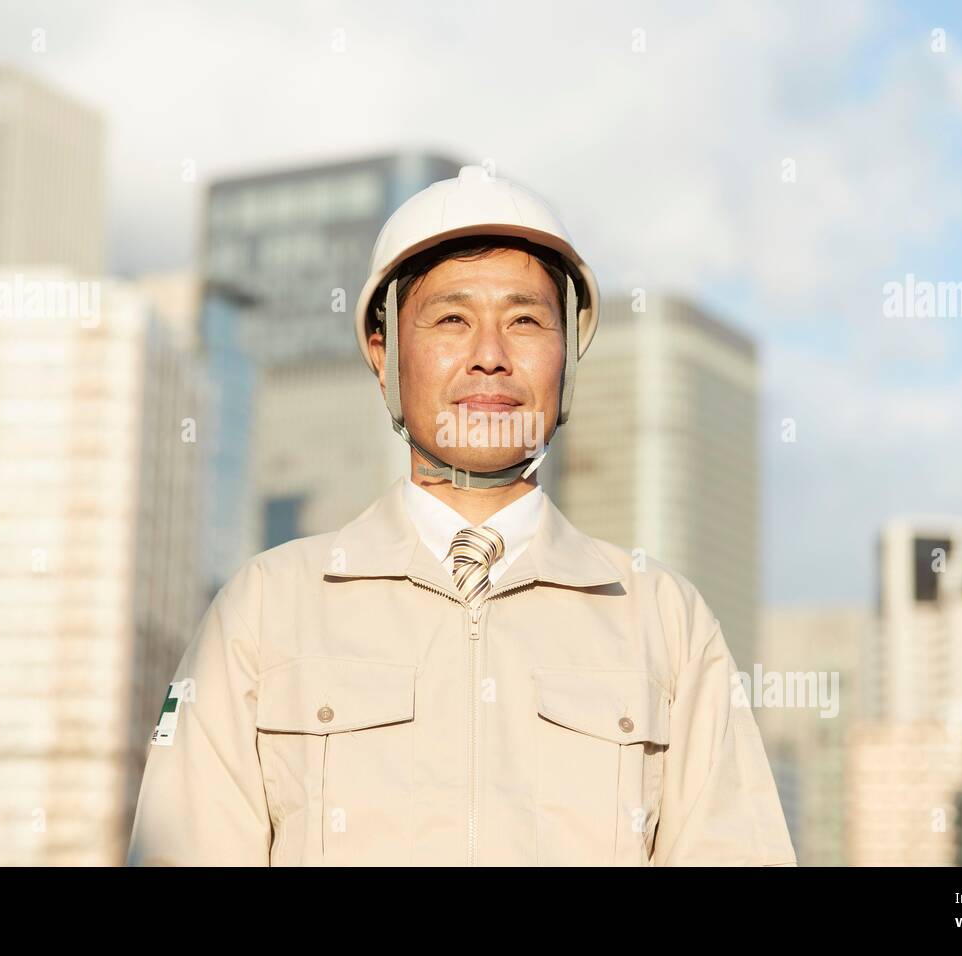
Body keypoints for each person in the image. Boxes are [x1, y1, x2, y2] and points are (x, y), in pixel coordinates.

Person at [126, 164, 797, 866]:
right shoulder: (267, 609)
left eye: (526, 321)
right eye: (451, 319)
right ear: (383, 355)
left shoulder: (665, 621)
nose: (489, 357)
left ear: (567, 360)